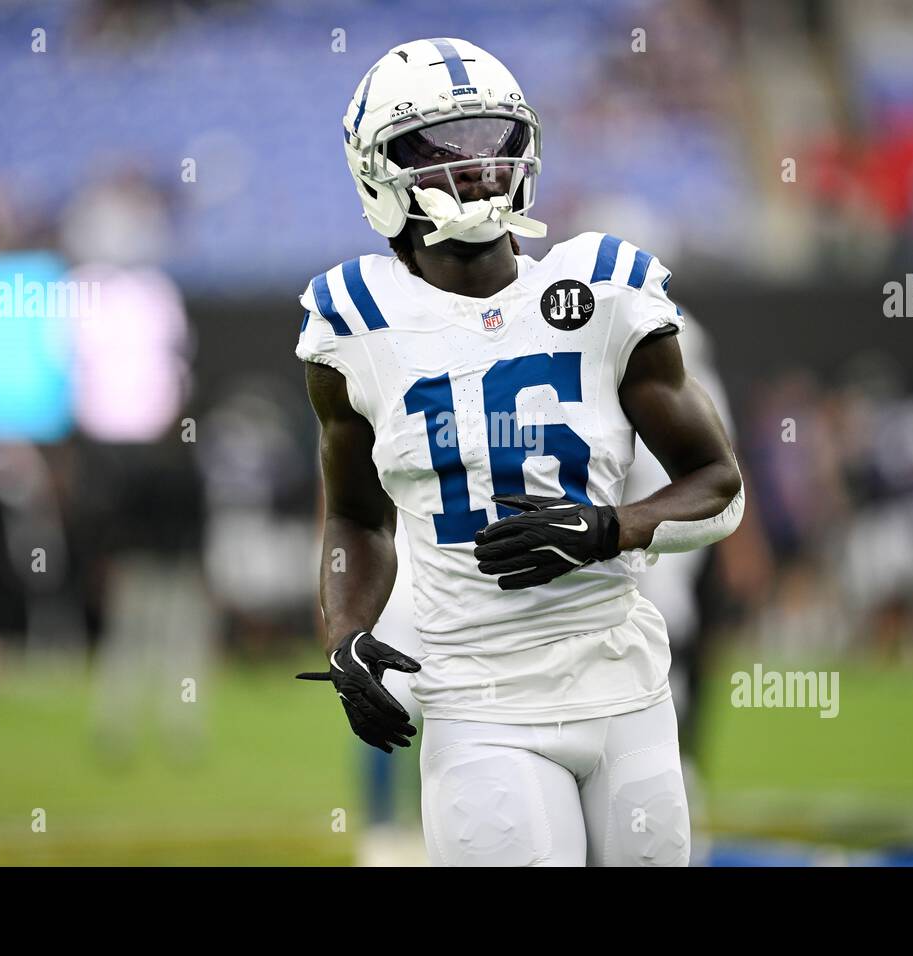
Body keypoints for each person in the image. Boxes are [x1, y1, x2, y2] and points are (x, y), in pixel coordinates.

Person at [295, 38, 743, 867]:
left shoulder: (606, 289)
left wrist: (612, 526)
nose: (471, 168)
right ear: (376, 170)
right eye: (437, 148)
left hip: (628, 687)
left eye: (488, 139)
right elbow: (357, 520)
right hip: (479, 696)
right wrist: (345, 632)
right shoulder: (355, 323)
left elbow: (720, 487)